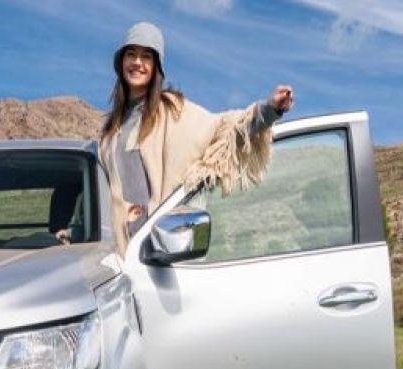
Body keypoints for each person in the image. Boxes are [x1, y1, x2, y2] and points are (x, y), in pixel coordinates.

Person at [90, 22, 295, 252]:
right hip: (120, 255)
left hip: (163, 250)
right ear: (121, 62)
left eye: (146, 56)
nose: (138, 62)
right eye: (131, 54)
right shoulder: (110, 133)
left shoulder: (173, 112)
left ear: (156, 66)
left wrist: (268, 110)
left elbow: (224, 130)